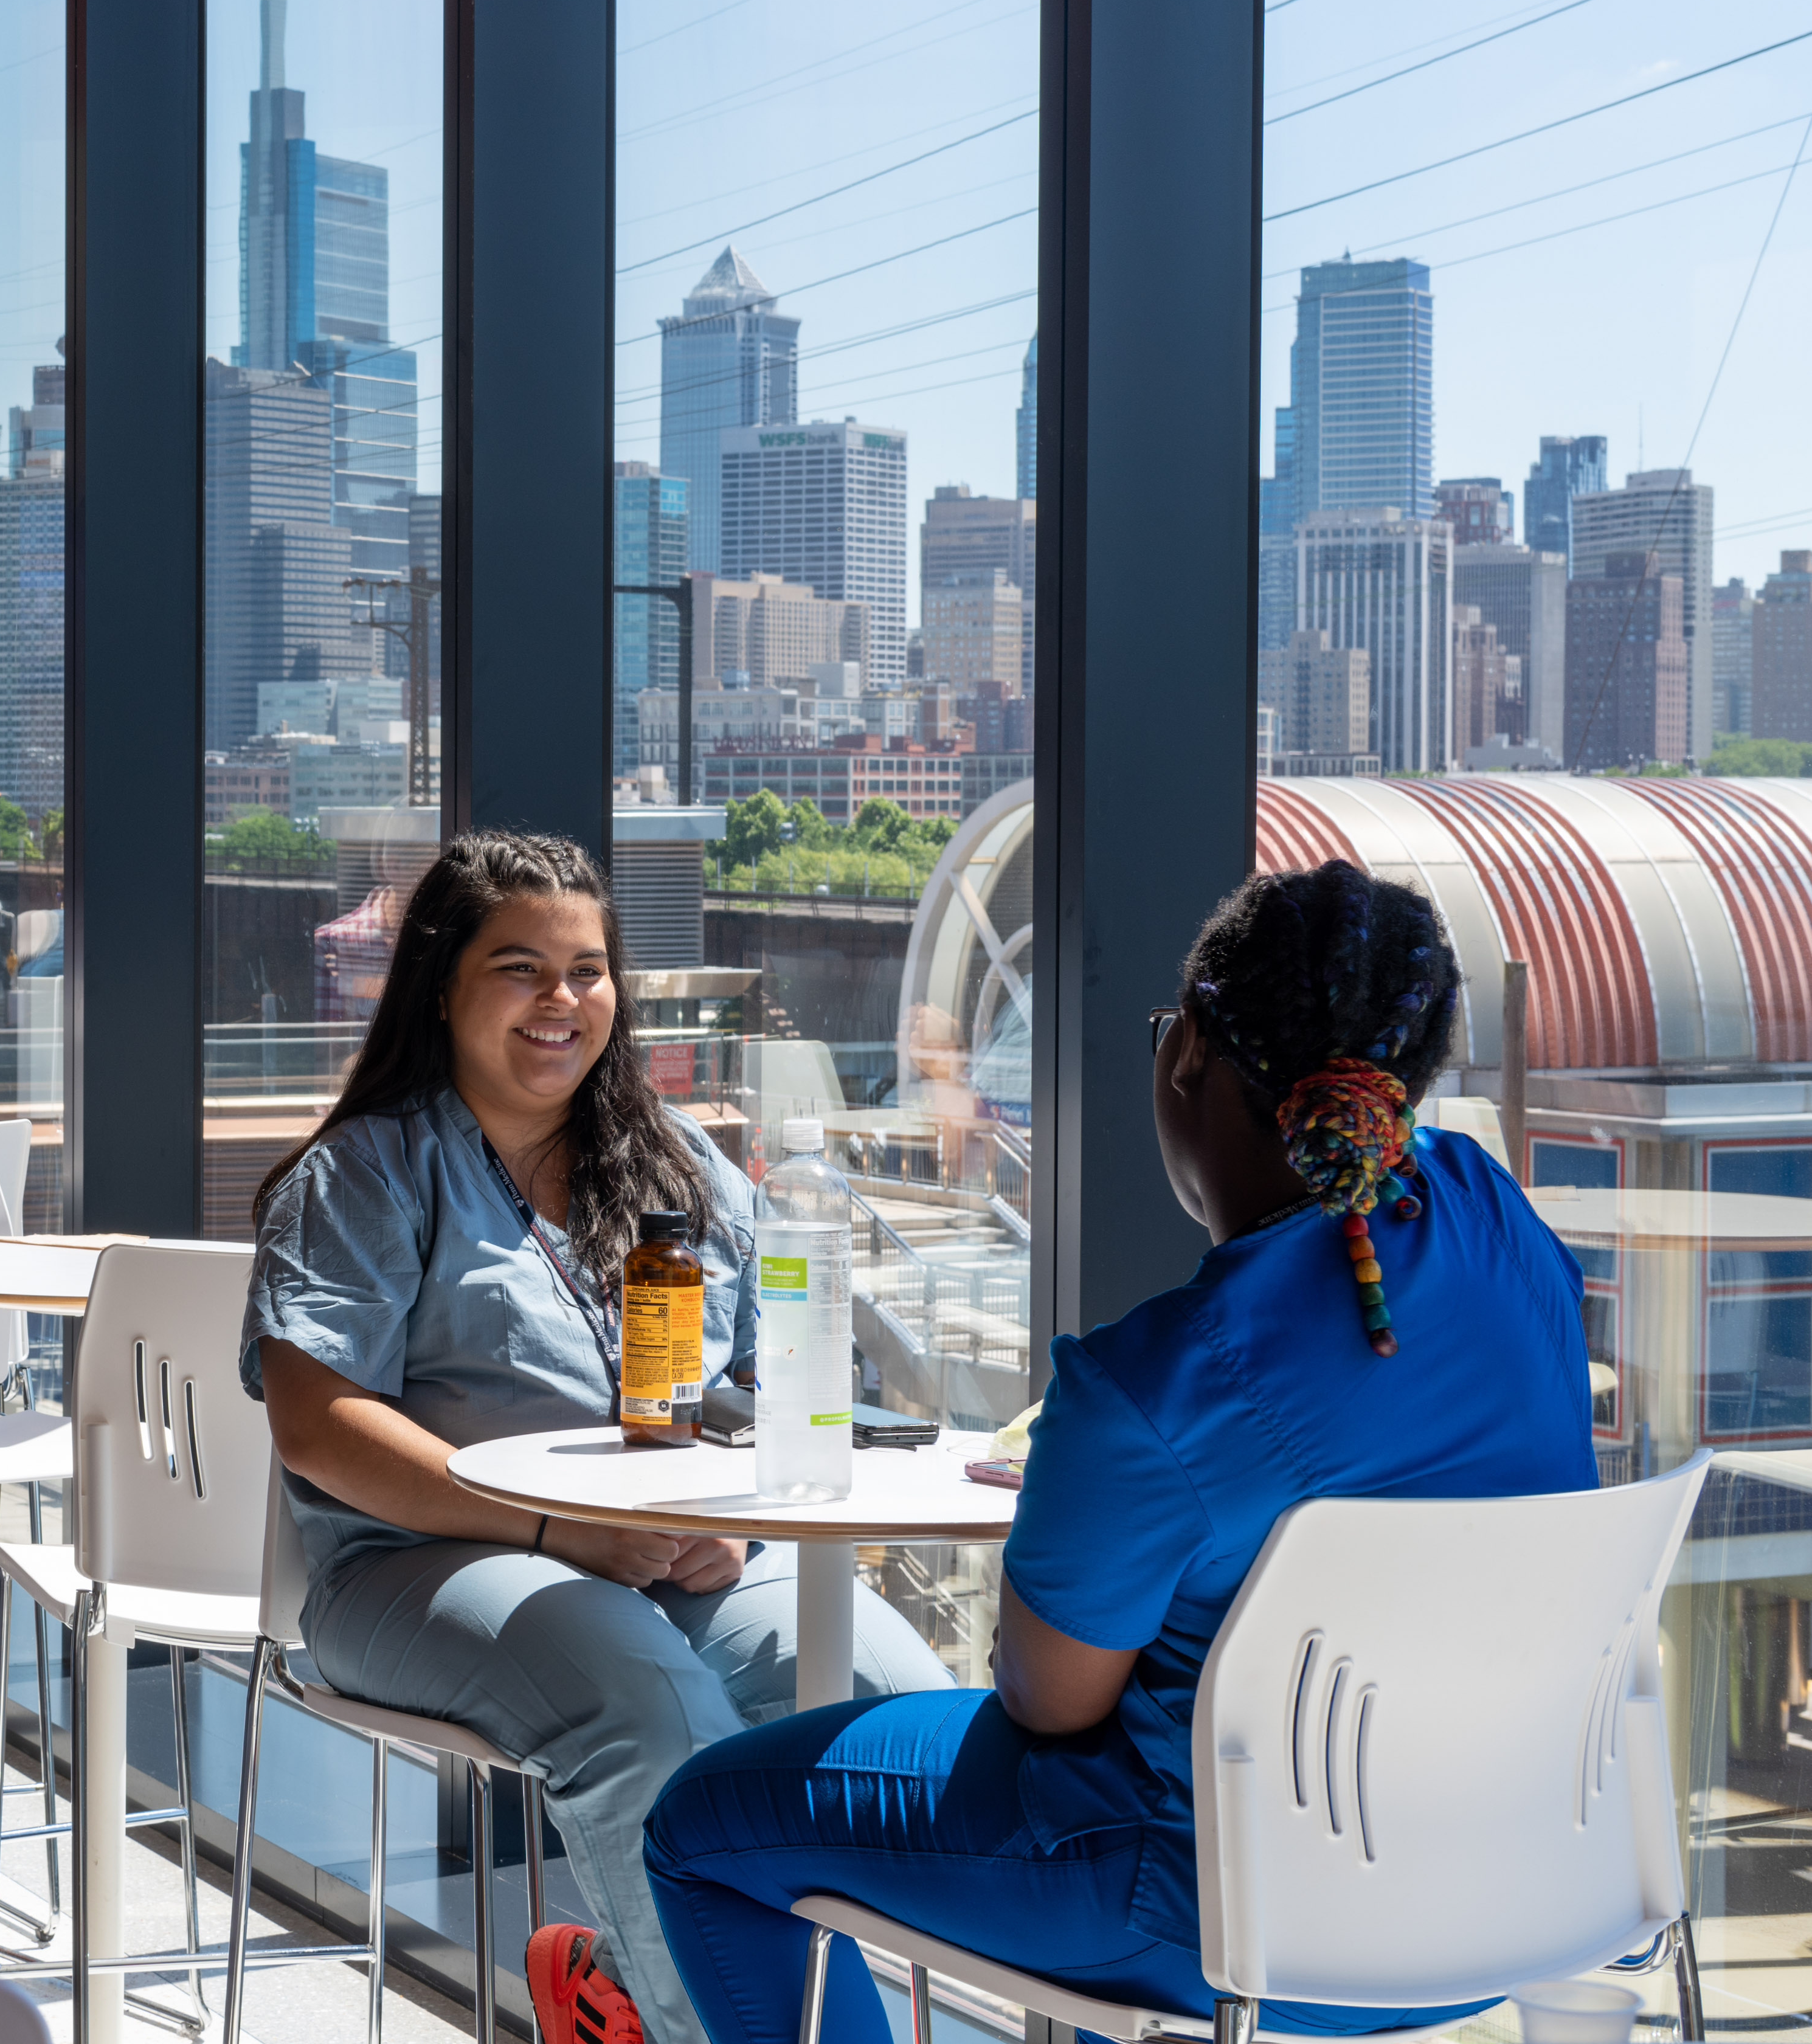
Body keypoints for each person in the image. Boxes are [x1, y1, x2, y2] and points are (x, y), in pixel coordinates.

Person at [639, 861, 1592, 2044]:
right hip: (1521, 1882)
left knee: (701, 1831)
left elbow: (1048, 1701)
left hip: (1230, 1920)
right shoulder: (1505, 1224)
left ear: (1188, 1047)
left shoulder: (1155, 1385)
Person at [239, 830, 950, 2044]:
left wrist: (733, 1517)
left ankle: (653, 1987)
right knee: (649, 1710)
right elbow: (318, 1425)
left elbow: (759, 1374)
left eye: (589, 970)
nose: (561, 1000)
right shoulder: (366, 1171)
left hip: (667, 1555)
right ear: (445, 987)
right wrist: (558, 1530)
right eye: (521, 968)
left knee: (899, 1703)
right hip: (415, 1565)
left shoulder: (678, 1163)